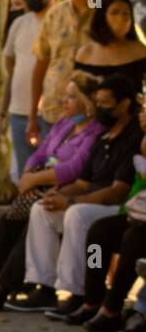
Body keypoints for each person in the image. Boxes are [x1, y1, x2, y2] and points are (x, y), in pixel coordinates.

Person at [0, 73, 103, 308]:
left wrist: (37, 179)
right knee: (11, 220)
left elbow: (75, 168)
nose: (64, 101)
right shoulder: (65, 124)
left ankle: (4, 285)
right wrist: (28, 175)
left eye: (72, 97)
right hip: (41, 185)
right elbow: (40, 153)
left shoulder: (95, 132)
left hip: (65, 188)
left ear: (87, 102)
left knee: (31, 218)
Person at [9, 73, 142, 314]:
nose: (99, 108)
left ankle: (80, 291)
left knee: (78, 216)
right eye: (97, 102)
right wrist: (57, 196)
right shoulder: (103, 137)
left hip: (115, 206)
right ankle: (44, 287)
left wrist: (70, 201)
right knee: (42, 209)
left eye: (104, 104)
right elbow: (82, 182)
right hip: (89, 201)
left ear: (124, 105)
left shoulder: (132, 138)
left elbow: (115, 193)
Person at [72, 130, 146, 332]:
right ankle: (92, 300)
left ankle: (112, 308)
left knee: (132, 240)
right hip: (139, 213)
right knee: (99, 233)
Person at [29, 0, 98, 150]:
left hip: (93, 116)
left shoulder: (105, 13)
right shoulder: (55, 14)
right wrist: (33, 114)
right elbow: (41, 63)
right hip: (53, 112)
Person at [3, 0, 54, 183]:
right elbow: (10, 64)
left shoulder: (59, 21)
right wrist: (2, 112)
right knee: (26, 177)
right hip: (19, 113)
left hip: (51, 115)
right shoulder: (19, 24)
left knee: (50, 175)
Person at [72, 0, 146, 89]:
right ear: (102, 17)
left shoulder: (140, 51)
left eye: (126, 13)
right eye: (114, 12)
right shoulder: (85, 53)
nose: (122, 18)